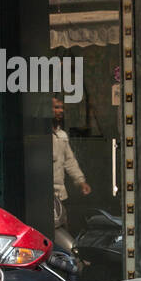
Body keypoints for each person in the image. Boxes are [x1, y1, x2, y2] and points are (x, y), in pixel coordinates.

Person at [52, 97, 91, 251]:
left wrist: (80, 181)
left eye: (61, 108)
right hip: (45, 197)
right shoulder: (41, 136)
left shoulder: (61, 135)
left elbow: (70, 161)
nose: (60, 111)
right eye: (56, 107)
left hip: (60, 195)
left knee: (63, 230)